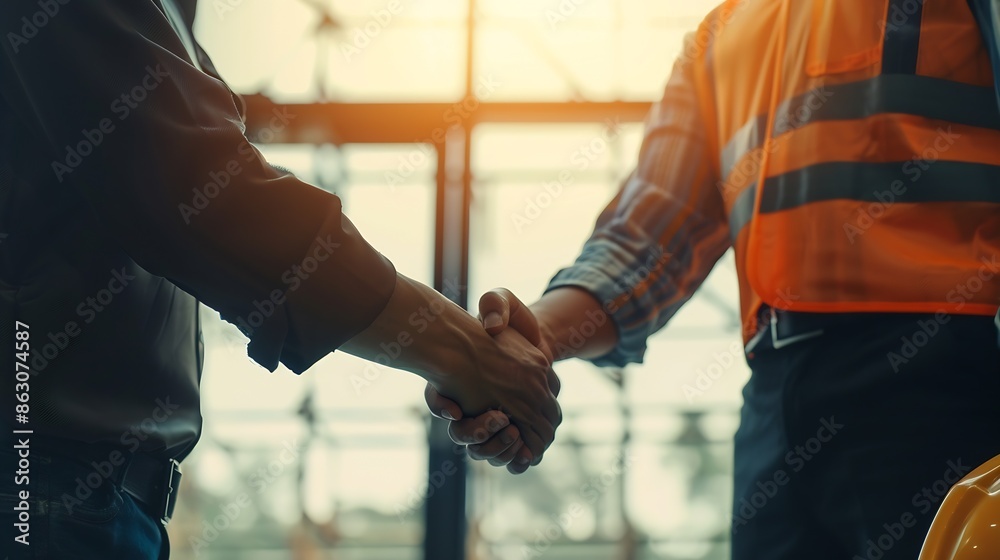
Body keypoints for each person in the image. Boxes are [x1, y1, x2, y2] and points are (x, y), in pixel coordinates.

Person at [430, 0, 1000, 558]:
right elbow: (648, 238)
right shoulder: (720, 34)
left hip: (939, 374)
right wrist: (537, 336)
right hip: (776, 401)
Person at [0, 1, 559, 558]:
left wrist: (468, 354)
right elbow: (203, 193)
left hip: (81, 492)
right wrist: (463, 352)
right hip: (43, 487)